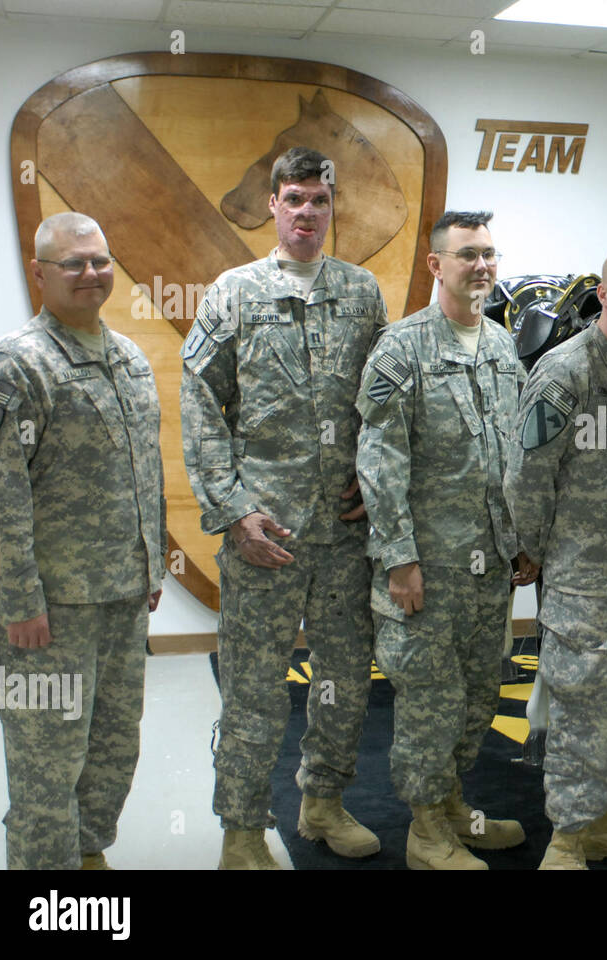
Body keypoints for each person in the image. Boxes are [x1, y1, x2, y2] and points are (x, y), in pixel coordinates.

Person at [181, 146, 386, 869]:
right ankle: (241, 832)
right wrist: (235, 513)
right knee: (253, 691)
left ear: (334, 208)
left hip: (342, 534)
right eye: (294, 199)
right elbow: (201, 407)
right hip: (264, 533)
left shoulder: (362, 294)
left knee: (344, 678)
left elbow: (379, 405)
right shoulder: (232, 293)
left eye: (319, 200)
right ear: (272, 205)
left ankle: (323, 803)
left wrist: (377, 475)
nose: (307, 212)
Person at [0, 212, 165, 869]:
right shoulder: (11, 365)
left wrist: (149, 572)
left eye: (100, 261)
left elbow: (144, 471)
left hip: (119, 598)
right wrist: (18, 600)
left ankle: (86, 858)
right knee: (46, 765)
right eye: (74, 263)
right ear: (39, 273)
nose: (91, 273)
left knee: (114, 748)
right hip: (49, 613)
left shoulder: (129, 359)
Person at [356, 211, 536, 870]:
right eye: (467, 255)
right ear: (436, 265)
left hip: (489, 567)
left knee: (480, 694)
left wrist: (521, 540)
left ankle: (455, 805)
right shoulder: (401, 349)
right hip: (427, 568)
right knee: (431, 701)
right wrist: (399, 559)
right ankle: (426, 829)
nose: (482, 266)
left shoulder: (499, 346)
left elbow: (515, 453)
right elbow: (379, 461)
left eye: (489, 254)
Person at [504, 245, 607, 870]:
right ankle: (567, 840)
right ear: (603, 296)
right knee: (582, 712)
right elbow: (527, 477)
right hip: (584, 584)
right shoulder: (562, 372)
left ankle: (604, 818)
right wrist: (538, 555)